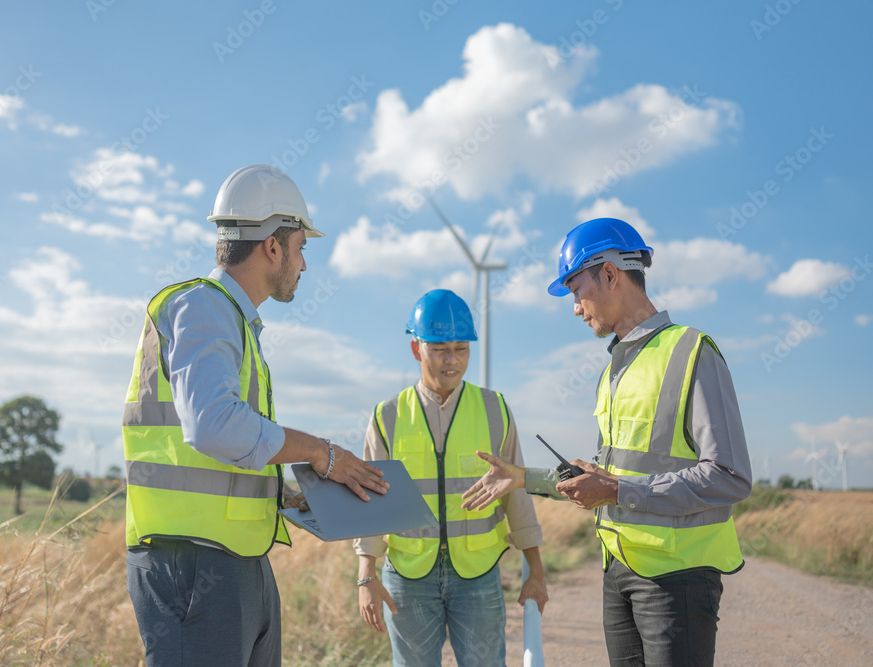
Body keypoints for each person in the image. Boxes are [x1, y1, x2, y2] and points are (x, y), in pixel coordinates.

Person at [122, 164, 389, 667]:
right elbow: (213, 425)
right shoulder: (204, 307)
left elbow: (227, 447)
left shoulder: (233, 322)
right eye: (301, 248)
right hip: (193, 566)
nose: (304, 265)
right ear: (272, 246)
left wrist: (280, 493)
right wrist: (319, 453)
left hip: (232, 562)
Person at [462, 217, 752, 666]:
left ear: (611, 274)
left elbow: (728, 476)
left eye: (576, 289)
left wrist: (618, 490)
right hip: (618, 572)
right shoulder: (613, 372)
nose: (576, 307)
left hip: (678, 578)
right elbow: (606, 476)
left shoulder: (692, 351)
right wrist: (523, 478)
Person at [354, 289, 548, 667]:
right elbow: (371, 500)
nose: (452, 360)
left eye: (461, 349)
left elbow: (517, 495)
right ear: (416, 350)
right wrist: (366, 575)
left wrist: (536, 570)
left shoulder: (494, 408)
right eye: (440, 349)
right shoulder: (387, 415)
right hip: (408, 578)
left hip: (477, 574)